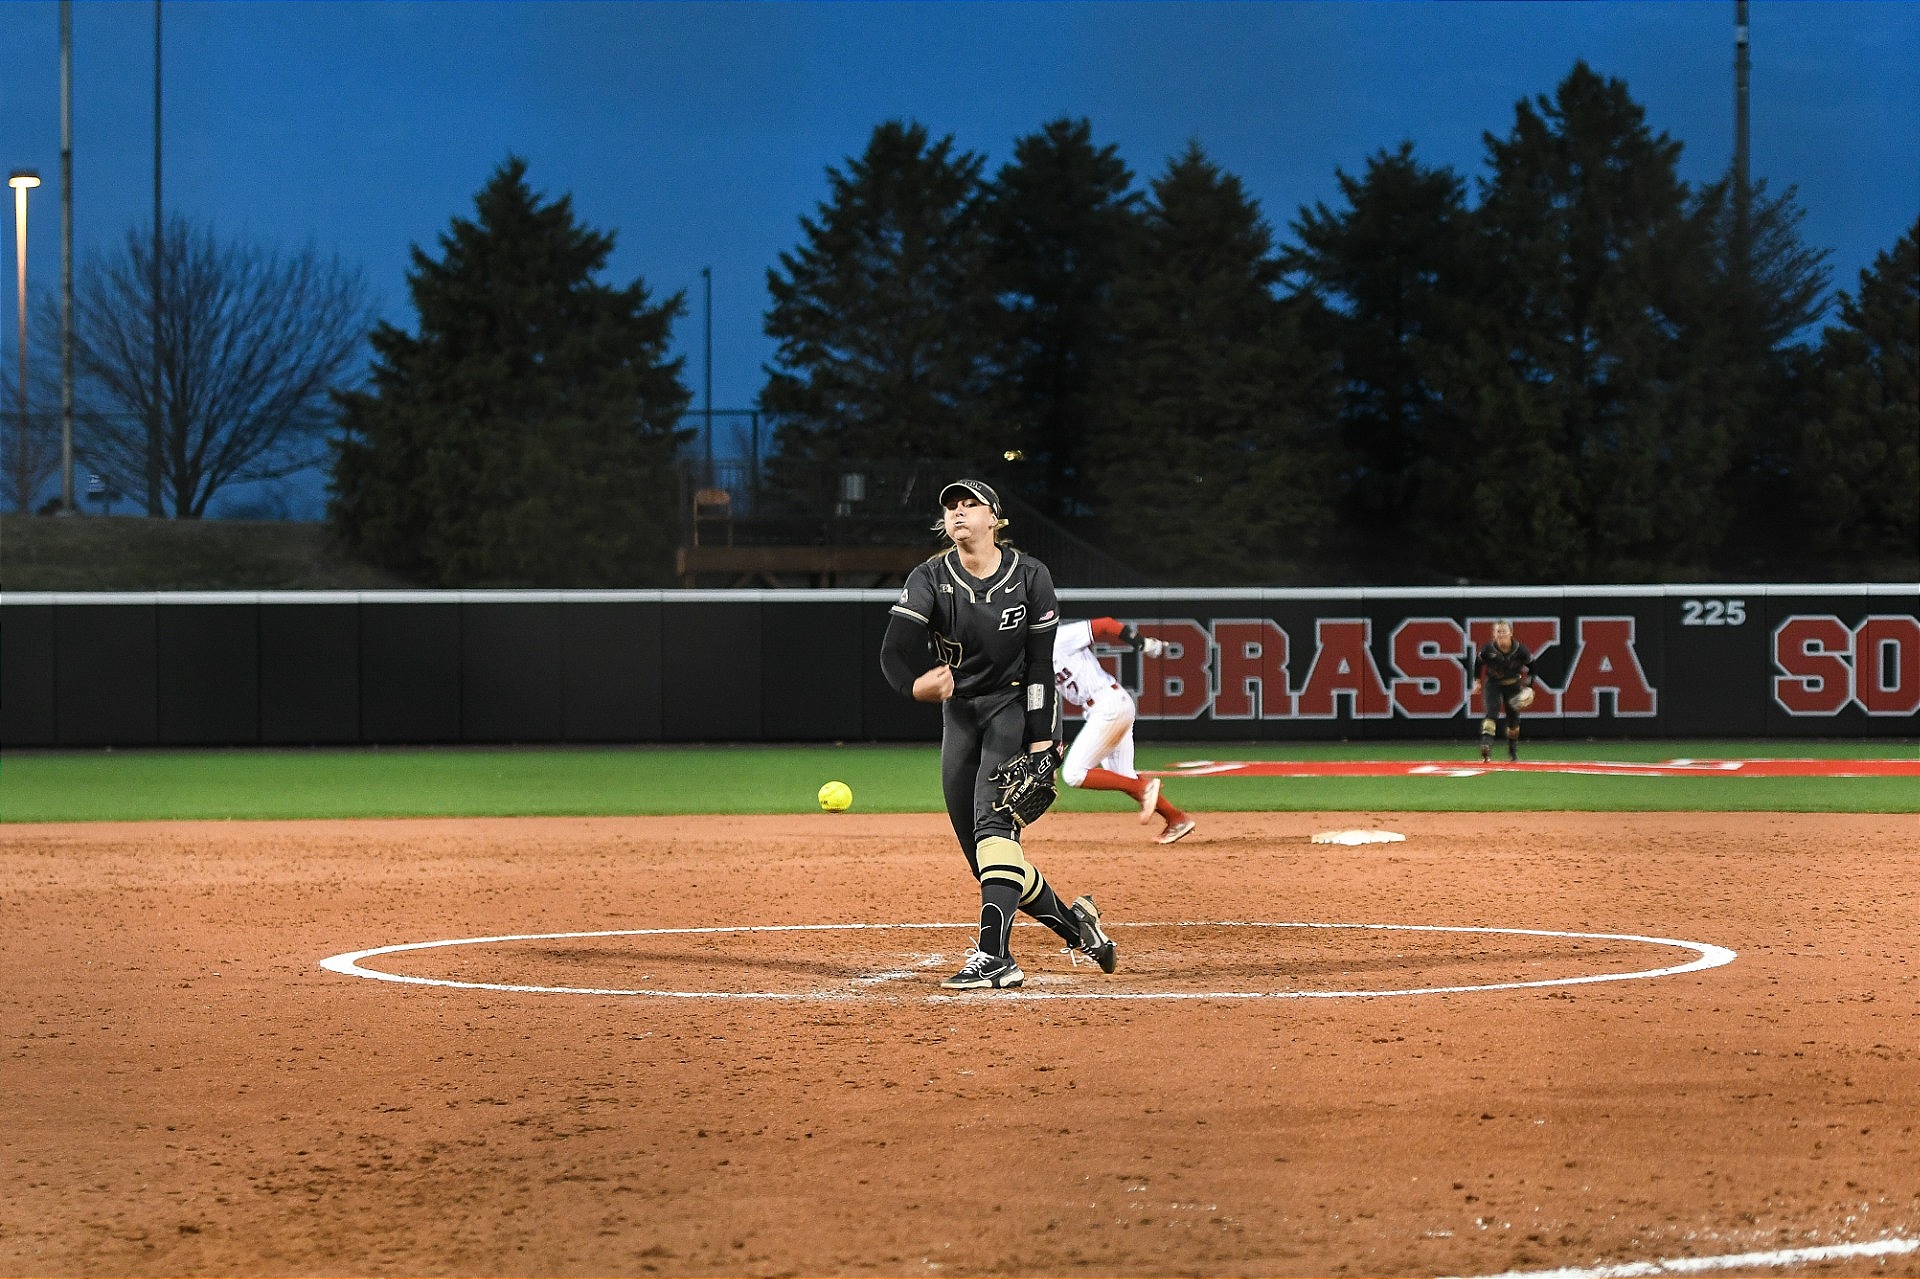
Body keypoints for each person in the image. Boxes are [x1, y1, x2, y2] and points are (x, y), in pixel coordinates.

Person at [878, 478, 1117, 991]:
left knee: (993, 824)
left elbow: (1039, 665)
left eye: (971, 505)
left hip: (1016, 704)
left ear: (994, 518)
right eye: (951, 508)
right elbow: (893, 650)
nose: (959, 513)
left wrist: (1039, 740)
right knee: (985, 853)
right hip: (961, 716)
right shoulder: (930, 578)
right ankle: (1079, 928)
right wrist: (913, 684)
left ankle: (995, 957)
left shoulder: (1030, 575)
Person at [1053, 617, 1196, 844]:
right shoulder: (1033, 656)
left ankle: (1143, 785)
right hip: (1107, 706)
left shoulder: (1058, 637)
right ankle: (1176, 819)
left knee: (1074, 774)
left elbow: (1106, 624)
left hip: (1107, 704)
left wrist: (1142, 643)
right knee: (1123, 777)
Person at [1472, 619, 1536, 763]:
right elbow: (1478, 662)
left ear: (1511, 633)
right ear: (1493, 634)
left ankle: (1512, 751)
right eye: (1498, 631)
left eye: (1504, 631)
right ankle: (1486, 745)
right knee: (1491, 712)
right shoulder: (1488, 649)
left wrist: (1529, 686)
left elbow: (1532, 667)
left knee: (1513, 722)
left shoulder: (1520, 650)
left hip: (1513, 684)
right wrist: (1477, 680)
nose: (1501, 635)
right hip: (1493, 684)